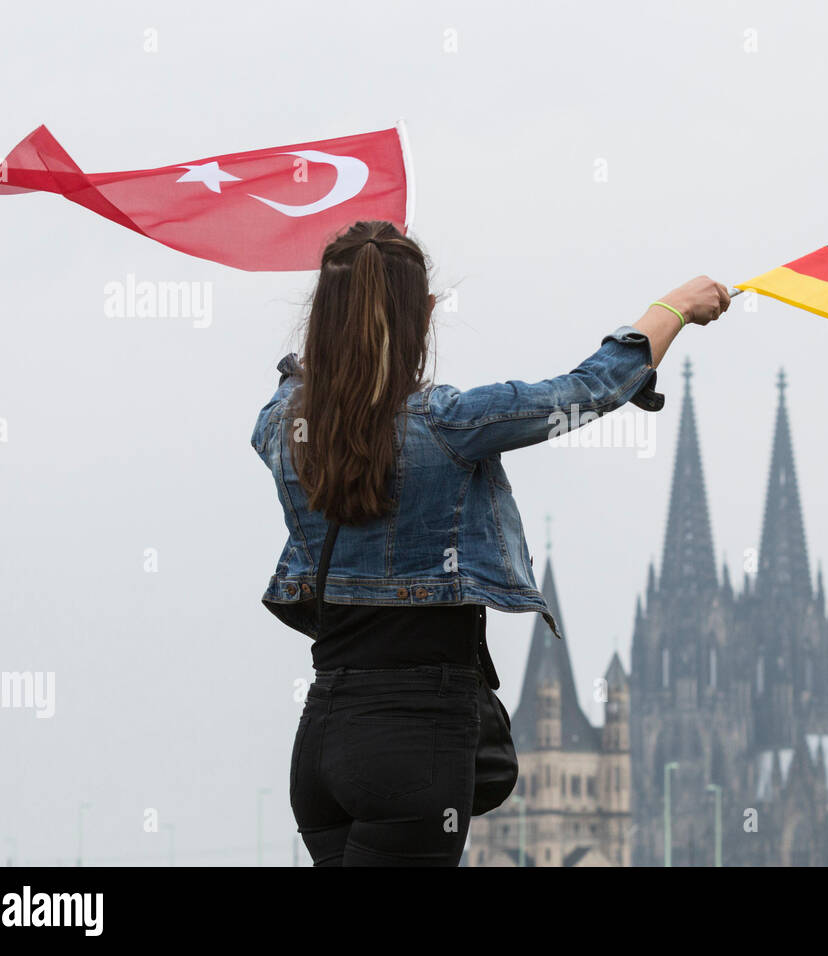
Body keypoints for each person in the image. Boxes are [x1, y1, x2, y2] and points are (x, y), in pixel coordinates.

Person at [250, 219, 730, 865]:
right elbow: (586, 391)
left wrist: (342, 330)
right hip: (414, 741)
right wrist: (670, 309)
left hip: (321, 744)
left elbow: (297, 380)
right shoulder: (449, 422)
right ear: (424, 313)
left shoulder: (283, 425)